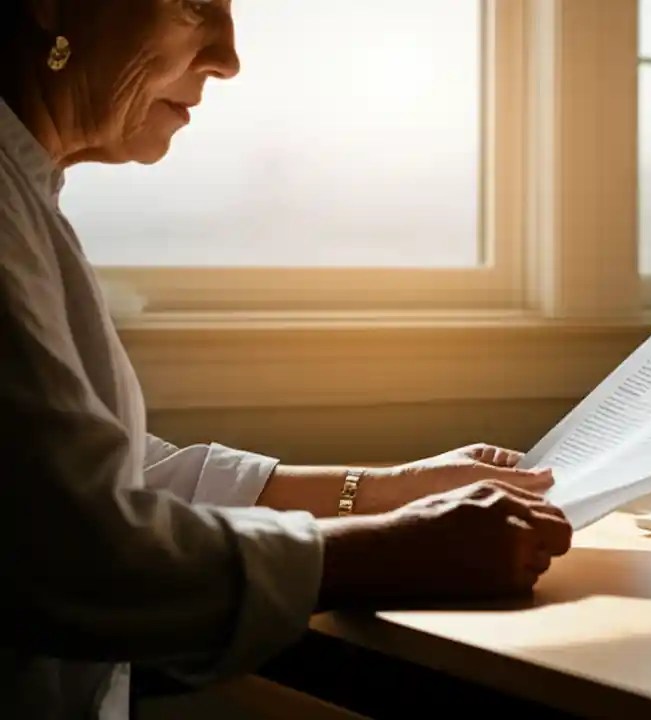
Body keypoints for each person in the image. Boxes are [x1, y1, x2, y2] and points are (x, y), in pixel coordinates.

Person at [0, 1, 574, 717]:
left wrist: (386, 490)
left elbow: (110, 475)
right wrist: (391, 550)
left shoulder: (25, 191)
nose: (227, 56)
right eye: (193, 5)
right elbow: (74, 555)